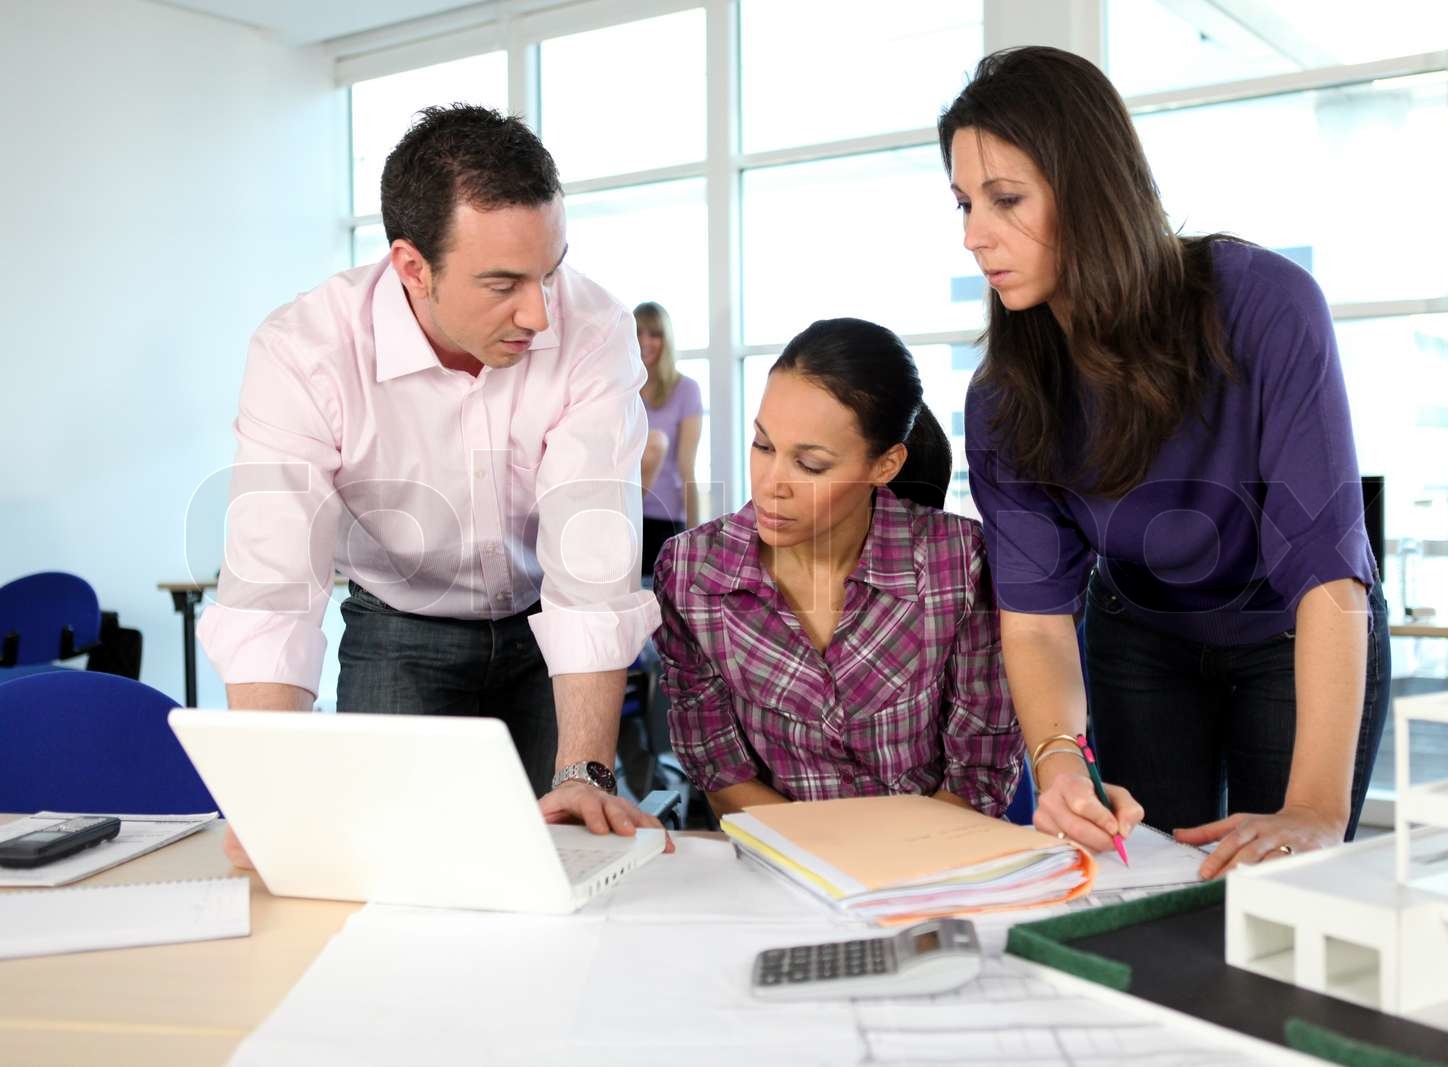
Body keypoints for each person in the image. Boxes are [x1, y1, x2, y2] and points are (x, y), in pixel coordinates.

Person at [941, 47, 1390, 878]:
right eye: (965, 203)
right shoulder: (1003, 400)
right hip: (1141, 636)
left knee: (1281, 884)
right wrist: (1059, 759)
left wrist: (1317, 815)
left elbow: (1331, 574)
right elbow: (1037, 620)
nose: (973, 236)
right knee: (1146, 881)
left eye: (1005, 200)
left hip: (1295, 631)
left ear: (1091, 185)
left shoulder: (1266, 306)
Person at [198, 105, 669, 866]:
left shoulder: (593, 326)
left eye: (551, 271)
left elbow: (590, 560)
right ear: (412, 266)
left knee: (570, 862)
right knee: (394, 872)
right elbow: (274, 587)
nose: (540, 312)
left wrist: (586, 769)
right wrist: (266, 792)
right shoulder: (305, 351)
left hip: (545, 626)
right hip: (399, 626)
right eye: (504, 283)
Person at [653, 318, 1022, 818]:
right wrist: (825, 867)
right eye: (763, 446)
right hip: (778, 861)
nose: (770, 484)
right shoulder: (691, 573)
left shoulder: (959, 564)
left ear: (885, 466)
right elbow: (719, 771)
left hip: (930, 864)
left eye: (810, 465)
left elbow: (978, 775)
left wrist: (887, 873)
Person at [635, 301, 703, 577]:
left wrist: (697, 539)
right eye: (638, 333)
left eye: (654, 334)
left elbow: (687, 468)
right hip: (627, 516)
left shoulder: (686, 390)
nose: (645, 342)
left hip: (666, 519)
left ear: (667, 340)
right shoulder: (621, 391)